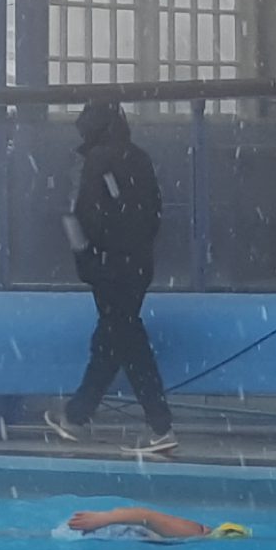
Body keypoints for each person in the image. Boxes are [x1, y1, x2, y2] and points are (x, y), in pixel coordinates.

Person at [45, 100, 175, 453]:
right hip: (137, 265)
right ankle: (78, 415)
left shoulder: (96, 161)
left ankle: (157, 424)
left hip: (108, 265)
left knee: (125, 340)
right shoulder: (140, 158)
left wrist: (87, 257)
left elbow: (86, 215)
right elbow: (154, 213)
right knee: (116, 336)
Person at [67, 506, 252, 541]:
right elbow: (146, 515)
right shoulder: (192, 533)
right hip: (89, 528)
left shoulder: (193, 535)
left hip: (91, 532)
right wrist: (103, 519)